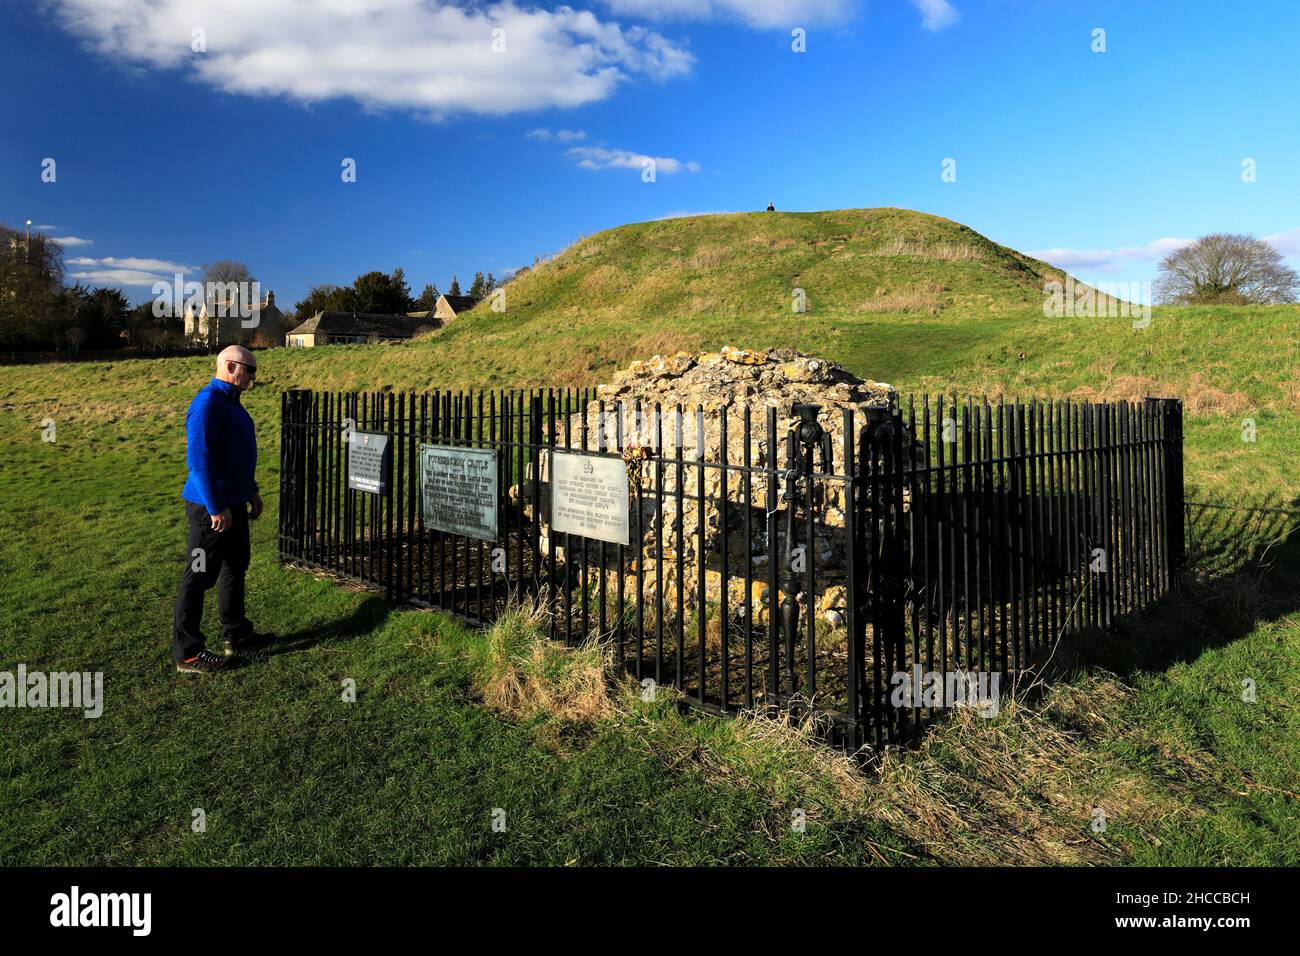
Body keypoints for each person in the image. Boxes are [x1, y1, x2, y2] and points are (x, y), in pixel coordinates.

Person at [172, 345, 268, 673]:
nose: (255, 377)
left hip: (234, 505)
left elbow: (236, 456)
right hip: (209, 509)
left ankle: (236, 631)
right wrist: (216, 507)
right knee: (198, 576)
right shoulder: (208, 403)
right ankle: (188, 652)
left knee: (234, 568)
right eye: (250, 370)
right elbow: (199, 461)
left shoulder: (231, 403)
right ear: (230, 366)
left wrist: (251, 492)